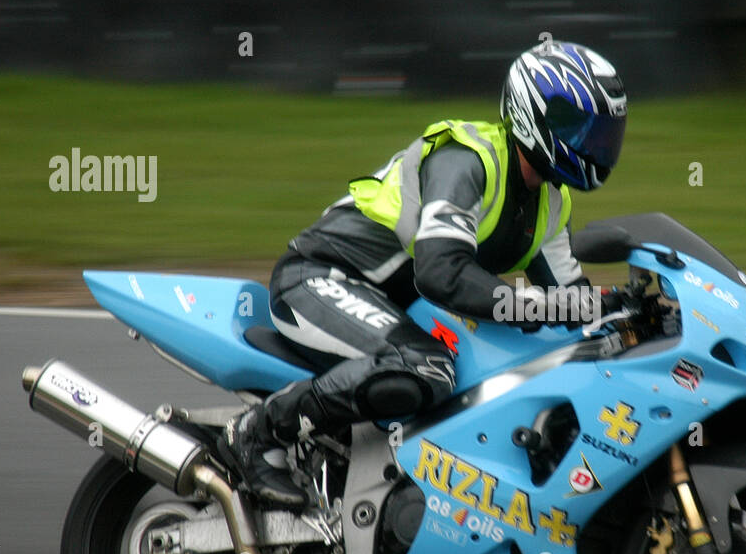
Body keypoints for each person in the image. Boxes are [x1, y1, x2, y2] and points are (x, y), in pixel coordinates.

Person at [218, 40, 628, 507]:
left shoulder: (551, 203)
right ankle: (257, 433)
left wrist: (632, 310)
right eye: (578, 127)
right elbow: (441, 271)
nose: (593, 144)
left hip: (391, 307)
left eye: (602, 132)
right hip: (319, 279)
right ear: (534, 112)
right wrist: (527, 306)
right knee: (424, 367)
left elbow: (574, 309)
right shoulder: (469, 161)